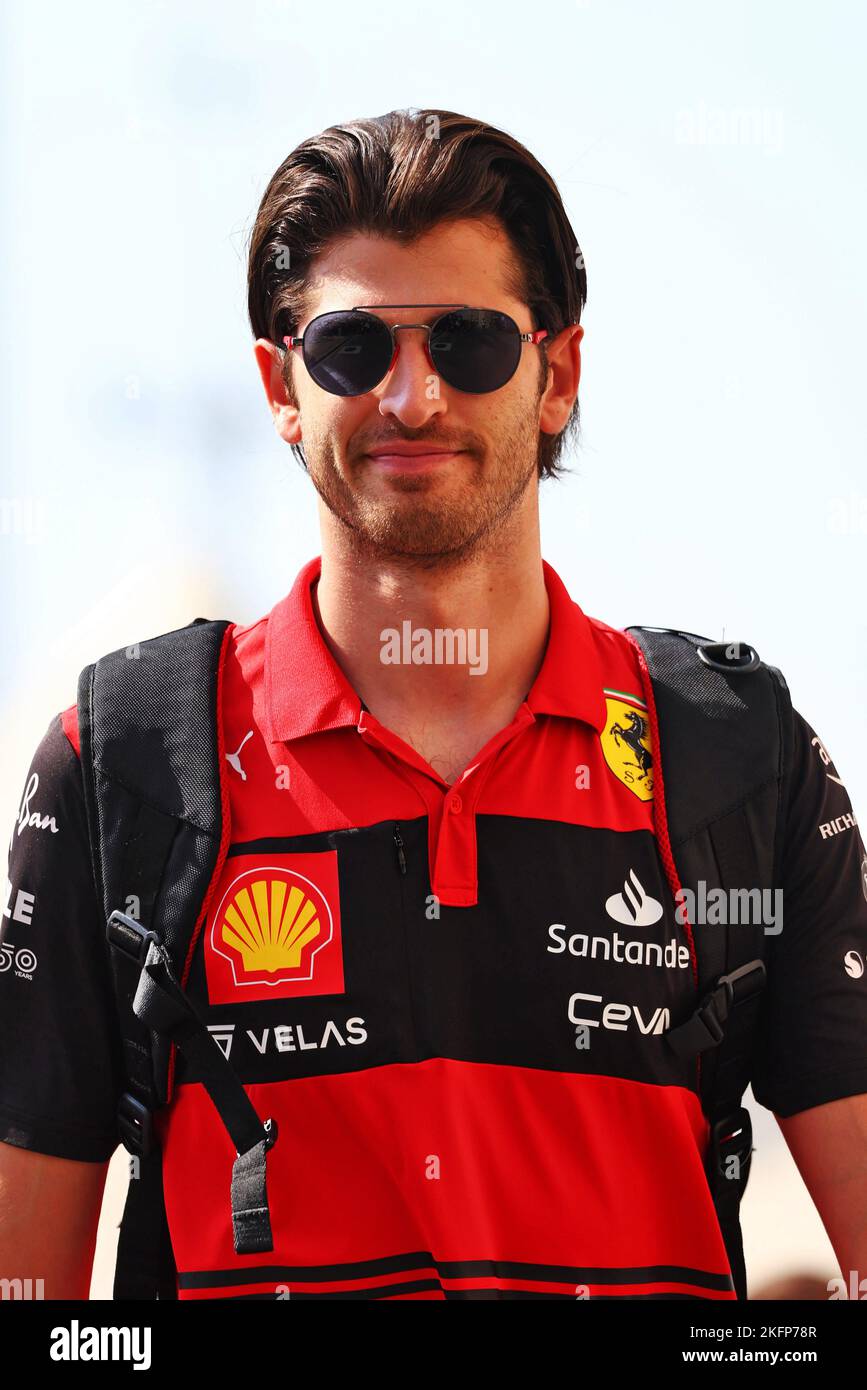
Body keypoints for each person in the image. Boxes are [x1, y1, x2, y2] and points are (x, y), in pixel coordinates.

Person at [2, 108, 866, 1301]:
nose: (412, 399)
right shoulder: (120, 762)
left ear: (558, 373)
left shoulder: (739, 755)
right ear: (282, 387)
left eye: (469, 343)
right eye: (355, 348)